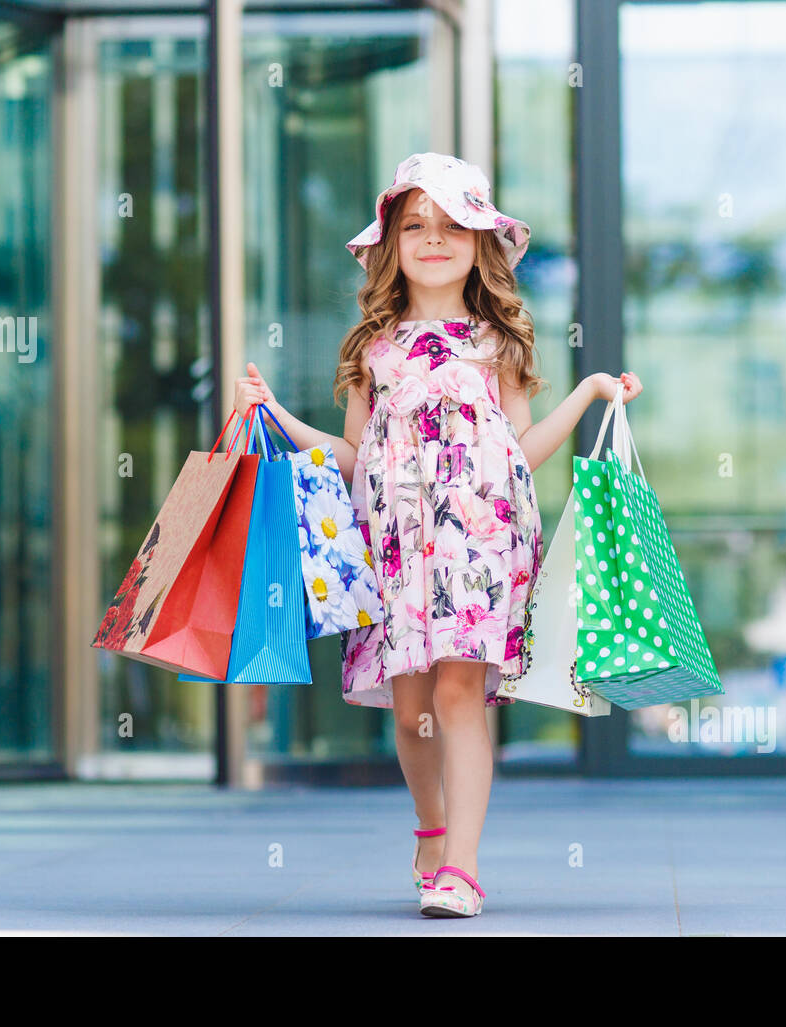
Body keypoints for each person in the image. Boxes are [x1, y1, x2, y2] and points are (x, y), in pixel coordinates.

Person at [234, 152, 641, 918]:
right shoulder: (372, 349)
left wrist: (591, 391)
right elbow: (352, 456)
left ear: (480, 241)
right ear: (390, 243)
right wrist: (277, 417)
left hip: (482, 542)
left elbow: (518, 450)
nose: (433, 238)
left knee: (460, 692)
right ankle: (430, 828)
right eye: (416, 223)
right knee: (412, 700)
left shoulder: (499, 343)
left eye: (453, 224)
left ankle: (462, 866)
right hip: (396, 542)